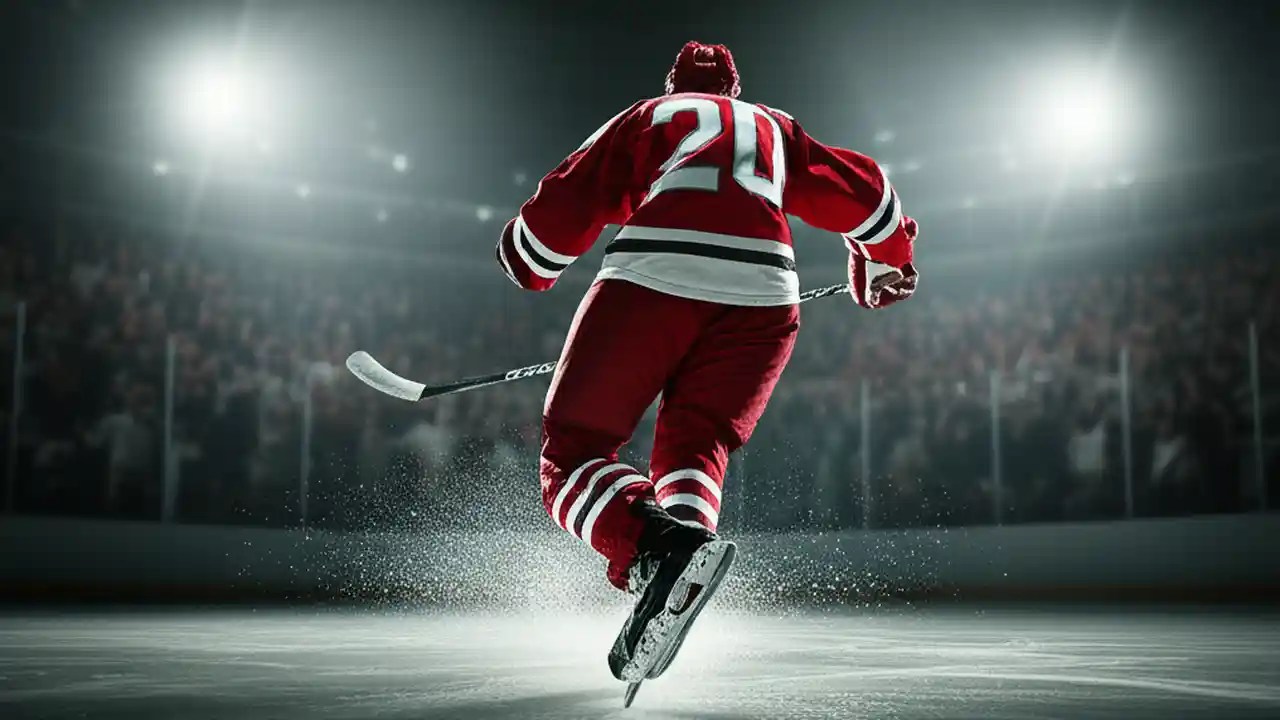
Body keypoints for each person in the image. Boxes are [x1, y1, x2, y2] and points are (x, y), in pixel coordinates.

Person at [497, 40, 919, 699]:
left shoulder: (651, 115)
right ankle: (683, 552)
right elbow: (866, 195)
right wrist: (882, 262)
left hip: (654, 274)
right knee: (698, 440)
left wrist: (528, 260)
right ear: (736, 91)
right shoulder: (775, 126)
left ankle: (652, 550)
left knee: (573, 452)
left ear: (673, 86)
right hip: (766, 296)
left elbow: (567, 203)